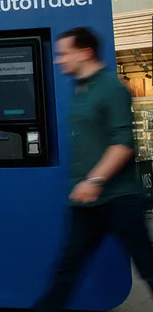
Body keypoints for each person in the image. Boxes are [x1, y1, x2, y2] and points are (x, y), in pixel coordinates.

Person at [33, 27, 153, 311]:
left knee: (147, 266)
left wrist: (94, 181)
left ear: (85, 53)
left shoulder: (110, 88)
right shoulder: (81, 88)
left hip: (119, 199)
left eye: (65, 54)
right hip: (87, 203)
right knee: (66, 269)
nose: (59, 60)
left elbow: (123, 143)